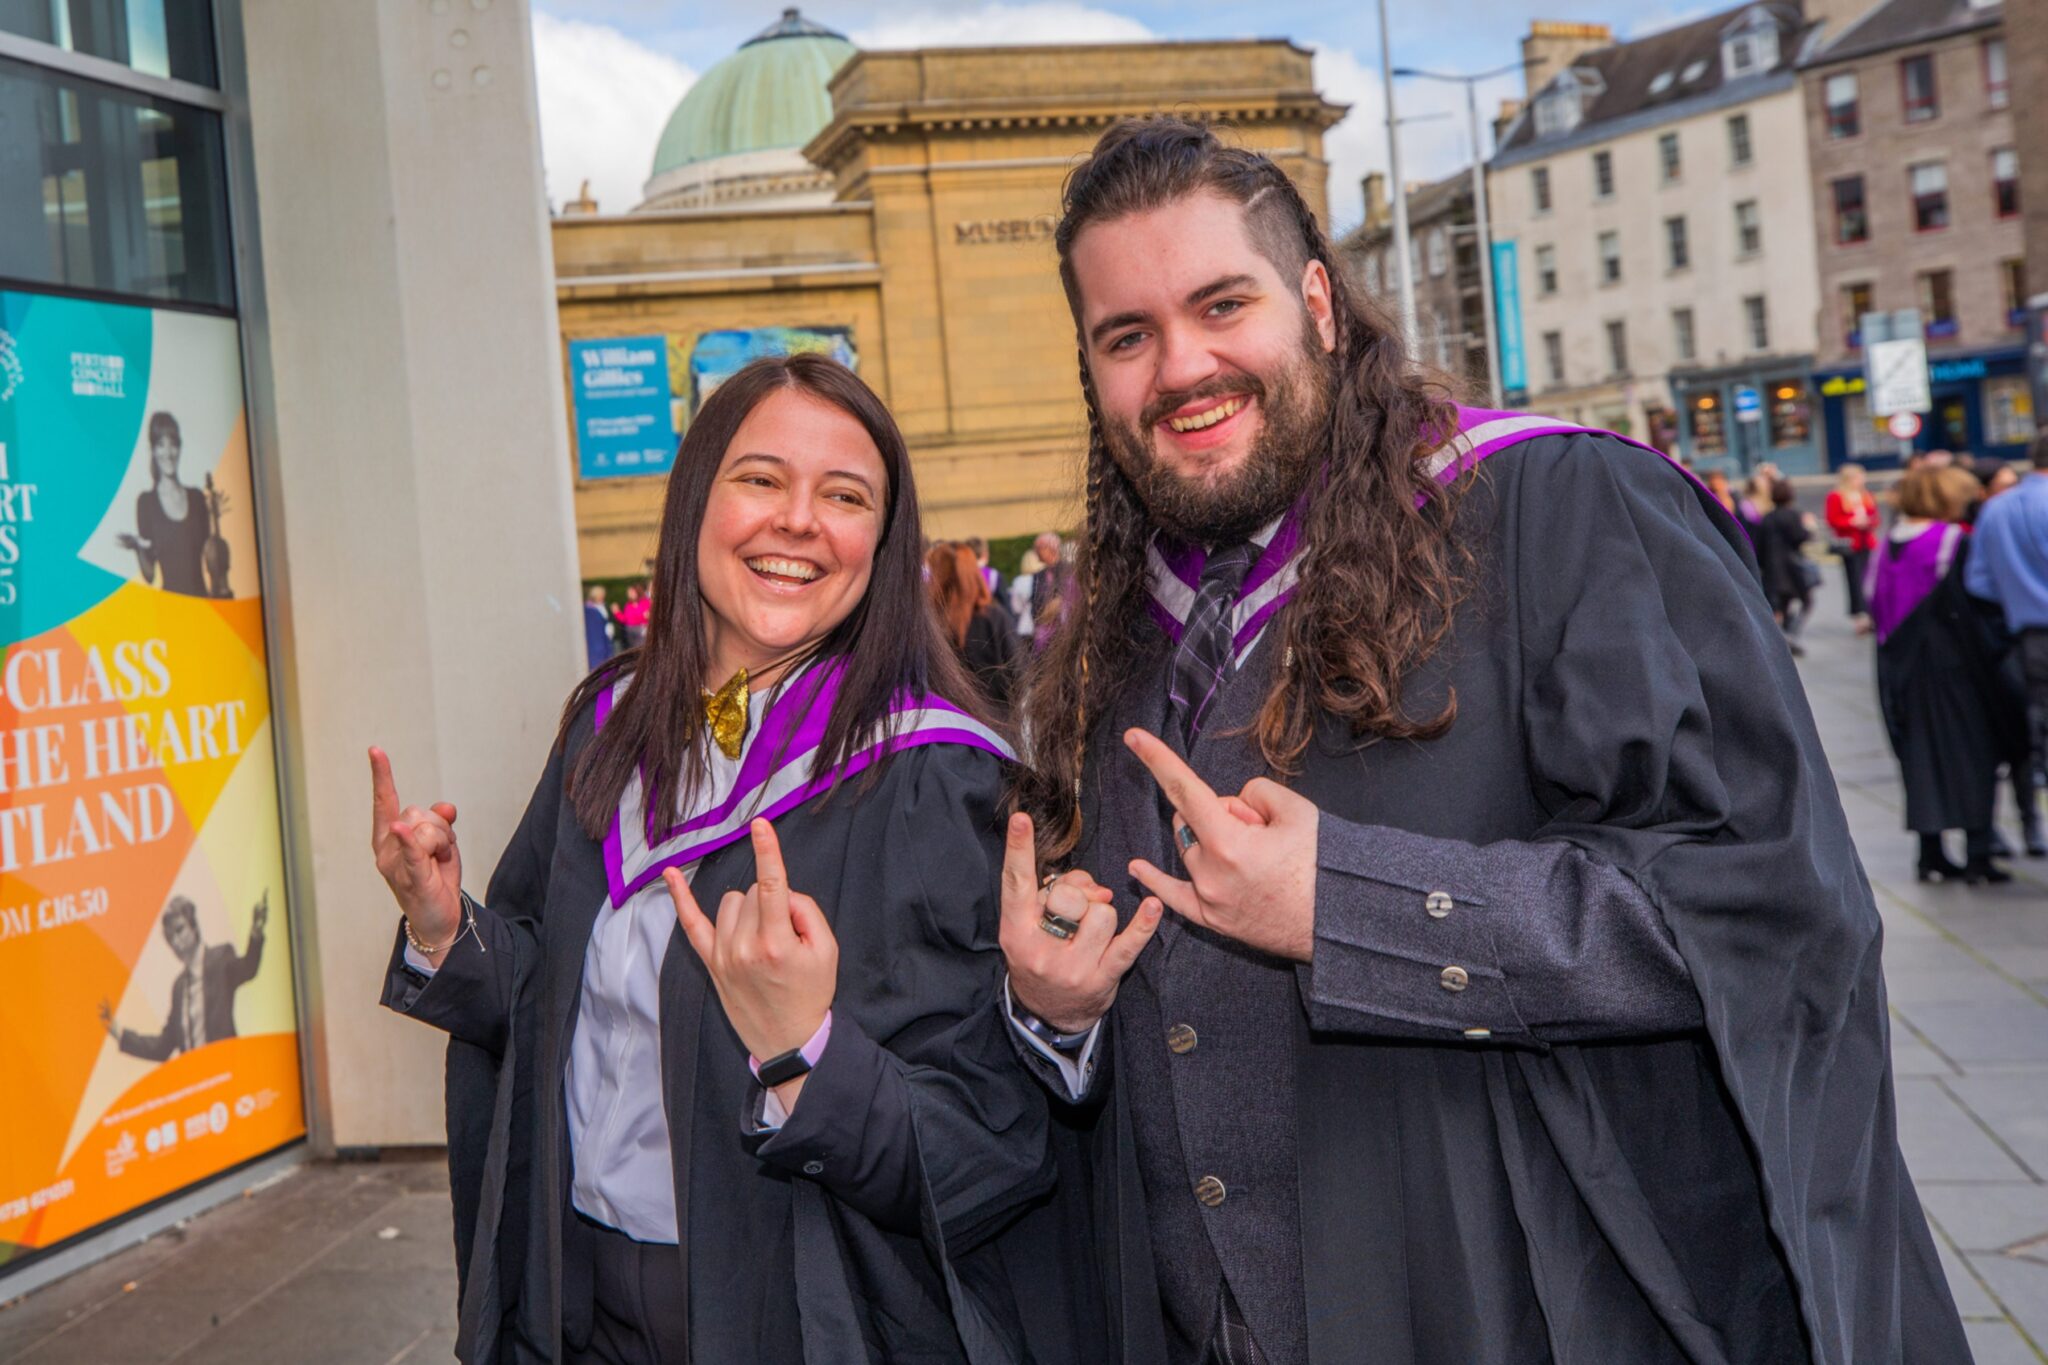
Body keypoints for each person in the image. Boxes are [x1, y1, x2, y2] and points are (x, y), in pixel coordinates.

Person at [998, 116, 1964, 1365]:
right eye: (1126, 336)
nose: (1180, 367)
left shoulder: (1560, 511)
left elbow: (1770, 910)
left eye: (1219, 304)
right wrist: (1055, 1012)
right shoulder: (1117, 638)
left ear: (1316, 304)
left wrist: (1349, 901)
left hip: (1530, 1313)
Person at [373, 356, 1088, 1364]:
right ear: (694, 503)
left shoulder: (932, 781)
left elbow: (984, 1145)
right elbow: (557, 1000)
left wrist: (803, 1048)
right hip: (571, 1291)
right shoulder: (607, 725)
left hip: (786, 1312)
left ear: (880, 545)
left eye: (843, 496)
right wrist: (449, 933)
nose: (797, 521)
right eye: (760, 478)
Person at [1870, 467, 2015, 883]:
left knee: (1919, 759)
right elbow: (1977, 606)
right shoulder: (1951, 542)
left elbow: (1873, 603)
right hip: (1953, 667)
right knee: (1973, 754)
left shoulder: (1888, 546)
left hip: (1898, 664)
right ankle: (1978, 851)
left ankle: (1930, 851)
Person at [1966, 430, 2048, 850]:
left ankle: (2034, 824)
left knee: (2029, 733)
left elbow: (1978, 581)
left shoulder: (1996, 510)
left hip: (2024, 636)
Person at [100, 893, 269, 1060]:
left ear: (194, 926)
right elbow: (162, 1047)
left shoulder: (220, 959)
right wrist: (117, 1032)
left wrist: (256, 931)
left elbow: (248, 968)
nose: (175, 941)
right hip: (194, 1080)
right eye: (169, 937)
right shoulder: (178, 988)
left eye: (179, 930)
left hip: (226, 1073)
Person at [116, 412, 211, 596]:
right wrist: (137, 547)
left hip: (204, 607)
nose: (168, 453)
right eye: (161, 445)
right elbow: (150, 575)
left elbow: (212, 561)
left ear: (180, 448)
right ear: (152, 450)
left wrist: (216, 518)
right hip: (169, 610)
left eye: (173, 444)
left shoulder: (197, 498)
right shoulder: (145, 503)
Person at [928, 541, 1023, 718]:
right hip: (999, 720)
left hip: (952, 724)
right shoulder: (993, 617)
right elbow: (1018, 670)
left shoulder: (930, 625)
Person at [1757, 477, 1817, 655]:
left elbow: (1758, 546)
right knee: (1806, 601)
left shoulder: (1767, 518)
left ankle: (1782, 638)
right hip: (1792, 568)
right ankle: (1790, 636)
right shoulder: (1793, 515)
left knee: (1779, 606)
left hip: (1772, 569)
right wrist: (1810, 527)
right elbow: (1800, 537)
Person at [1825, 463, 1879, 631]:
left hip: (1866, 541)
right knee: (1855, 580)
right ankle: (1860, 615)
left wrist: (1868, 522)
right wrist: (1852, 522)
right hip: (1850, 544)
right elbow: (1832, 520)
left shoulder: (1865, 495)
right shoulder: (1836, 496)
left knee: (1870, 577)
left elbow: (1875, 517)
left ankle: (1871, 613)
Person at [583, 585, 614, 668]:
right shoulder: (588, 608)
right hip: (596, 640)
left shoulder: (604, 606)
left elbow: (607, 619)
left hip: (605, 638)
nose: (602, 597)